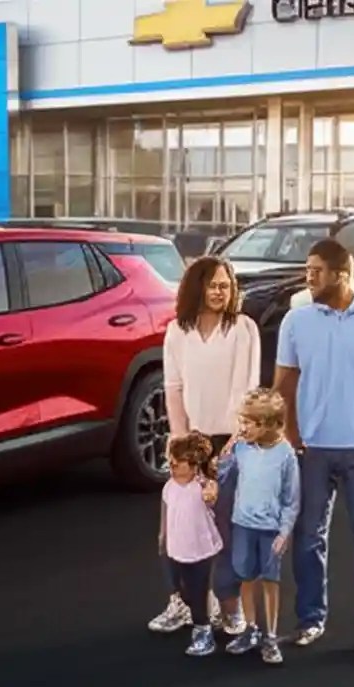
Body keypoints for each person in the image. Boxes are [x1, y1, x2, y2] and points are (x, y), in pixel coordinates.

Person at [274, 238, 354, 659]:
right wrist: (292, 436)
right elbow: (284, 383)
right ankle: (310, 620)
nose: (307, 277)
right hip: (312, 451)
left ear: (342, 275)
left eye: (316, 271)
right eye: (307, 270)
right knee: (308, 539)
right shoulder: (296, 322)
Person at [148, 256, 260, 636]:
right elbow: (174, 389)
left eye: (225, 285)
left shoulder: (243, 329)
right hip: (190, 441)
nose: (219, 292)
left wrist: (230, 447)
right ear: (196, 287)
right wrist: (180, 443)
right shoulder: (177, 332)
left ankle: (227, 608)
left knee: (225, 531)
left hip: (231, 442)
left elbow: (248, 391)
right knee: (175, 529)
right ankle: (180, 602)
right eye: (212, 285)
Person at [216, 388, 300, 665]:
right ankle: (251, 629)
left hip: (270, 528)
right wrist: (226, 452)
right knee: (246, 576)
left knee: (270, 580)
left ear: (268, 424)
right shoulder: (241, 448)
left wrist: (284, 532)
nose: (243, 429)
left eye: (249, 423)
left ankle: (271, 636)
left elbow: (291, 499)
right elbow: (222, 474)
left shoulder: (286, 455)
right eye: (242, 422)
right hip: (243, 524)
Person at [159, 432, 225, 657]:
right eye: (171, 462)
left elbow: (212, 497)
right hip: (176, 550)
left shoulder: (202, 487)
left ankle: (203, 630)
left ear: (194, 464)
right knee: (183, 591)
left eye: (178, 462)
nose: (173, 466)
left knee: (196, 591)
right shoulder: (169, 487)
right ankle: (205, 609)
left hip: (200, 551)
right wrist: (163, 539)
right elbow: (165, 515)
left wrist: (210, 490)